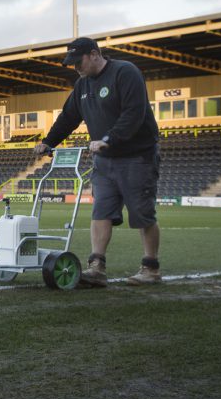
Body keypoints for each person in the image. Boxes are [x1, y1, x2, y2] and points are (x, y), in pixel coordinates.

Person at [33, 37, 162, 287]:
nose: (75, 68)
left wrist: (109, 139)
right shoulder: (82, 85)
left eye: (77, 61)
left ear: (94, 54)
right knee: (101, 211)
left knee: (142, 213)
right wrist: (49, 142)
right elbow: (68, 118)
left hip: (137, 156)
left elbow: (134, 113)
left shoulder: (125, 73)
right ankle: (96, 267)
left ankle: (151, 268)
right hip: (105, 161)